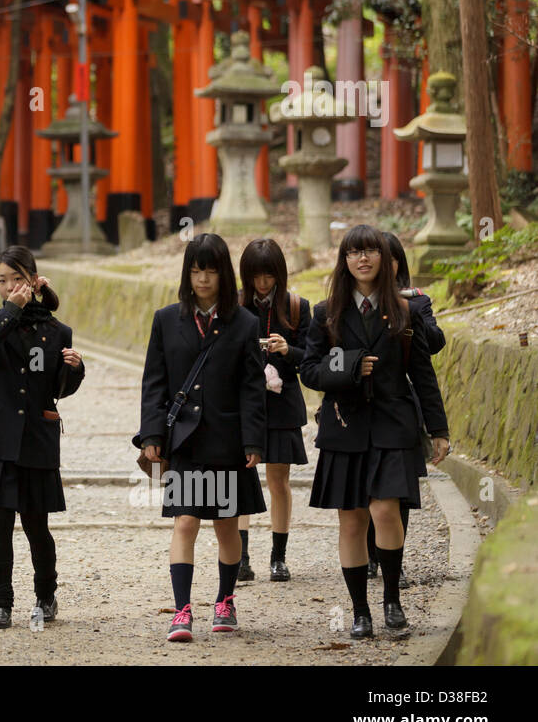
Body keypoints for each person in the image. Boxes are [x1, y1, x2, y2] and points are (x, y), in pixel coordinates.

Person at [300, 225, 450, 639]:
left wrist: (437, 429)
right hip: (345, 427)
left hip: (392, 423)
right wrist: (347, 369)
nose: (362, 258)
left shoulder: (406, 311)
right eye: (354, 252)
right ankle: (360, 611)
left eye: (371, 251)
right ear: (344, 260)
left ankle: (392, 600)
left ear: (386, 260)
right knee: (351, 520)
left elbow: (422, 373)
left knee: (385, 511)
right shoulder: (324, 312)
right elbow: (309, 369)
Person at [134, 233, 267, 642]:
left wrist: (253, 441)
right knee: (186, 521)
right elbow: (154, 383)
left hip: (227, 441)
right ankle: (182, 610)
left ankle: (225, 600)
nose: (203, 278)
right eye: (195, 270)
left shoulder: (244, 323)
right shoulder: (166, 318)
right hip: (185, 442)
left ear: (223, 273)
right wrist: (152, 435)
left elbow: (252, 387)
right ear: (187, 273)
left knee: (227, 526)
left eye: (210, 270)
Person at [0, 246, 84, 629]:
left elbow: (57, 388)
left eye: (18, 279)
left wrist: (76, 371)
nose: (10, 286)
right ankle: (2, 603)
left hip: (35, 438)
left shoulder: (54, 331)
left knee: (36, 525)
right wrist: (11, 310)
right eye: (3, 280)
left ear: (33, 279)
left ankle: (46, 596)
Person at [363, 232, 449, 586]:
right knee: (367, 490)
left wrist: (410, 314)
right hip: (363, 406)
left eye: (393, 257)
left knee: (400, 489)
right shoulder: (353, 303)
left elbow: (434, 344)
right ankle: (370, 556)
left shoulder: (416, 302)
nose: (387, 263)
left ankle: (392, 563)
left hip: (403, 407)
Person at [235, 238, 311, 584]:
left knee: (279, 481)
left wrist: (288, 350)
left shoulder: (297, 308)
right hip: (241, 405)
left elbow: (313, 359)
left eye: (268, 276)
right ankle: (241, 557)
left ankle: (278, 558)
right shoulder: (233, 305)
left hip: (282, 405)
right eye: (256, 277)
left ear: (279, 273)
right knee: (240, 479)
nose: (263, 284)